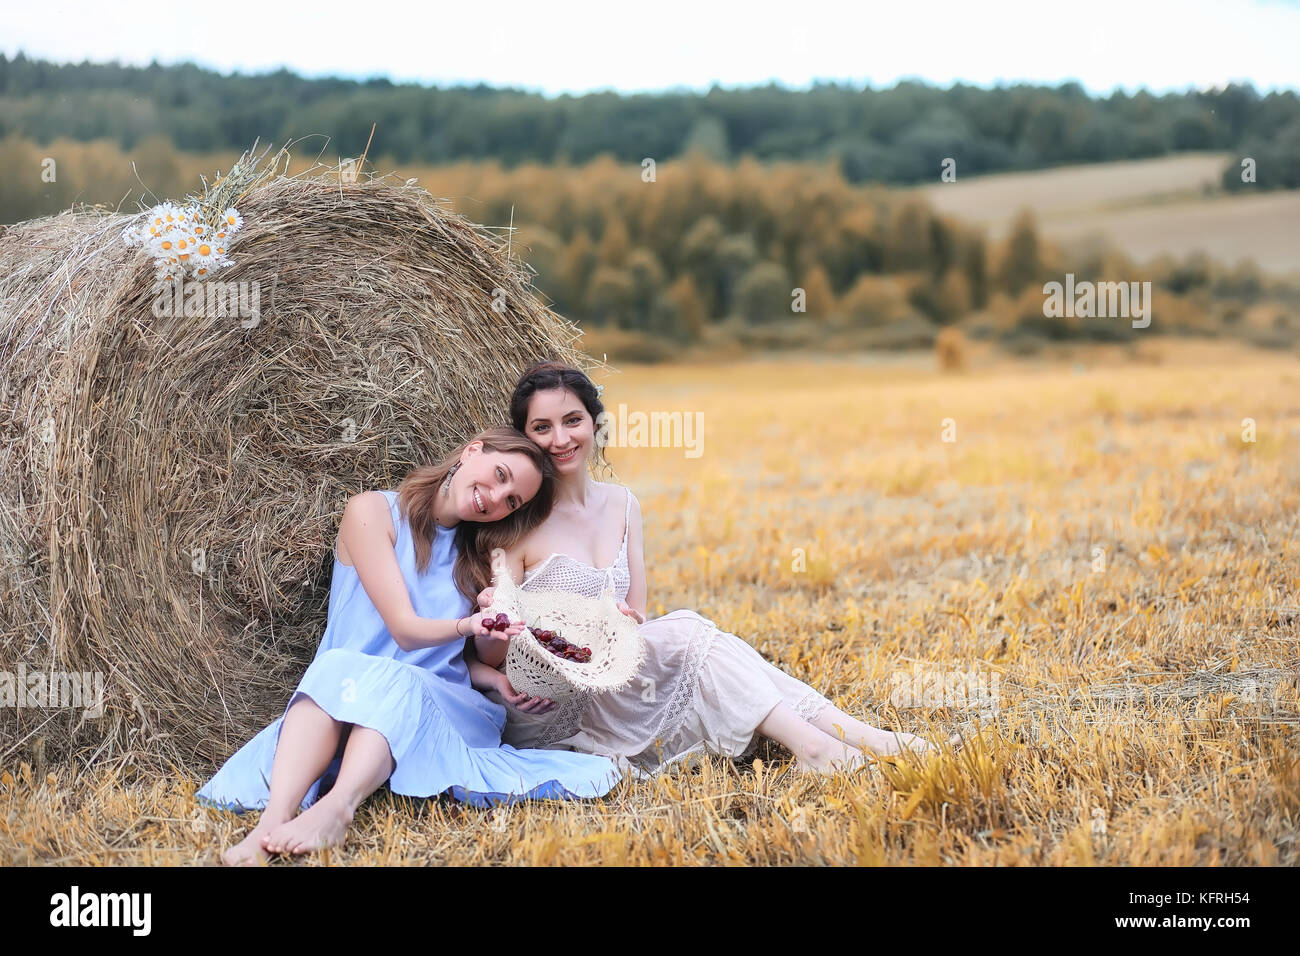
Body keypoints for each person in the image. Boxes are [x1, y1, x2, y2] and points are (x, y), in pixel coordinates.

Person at [465, 363, 959, 777]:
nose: (560, 439)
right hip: (549, 703)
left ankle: (852, 737)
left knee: (701, 641)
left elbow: (638, 613)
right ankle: (823, 747)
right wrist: (499, 622)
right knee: (690, 633)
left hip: (615, 673)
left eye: (572, 420)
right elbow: (490, 647)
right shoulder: (518, 523)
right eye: (541, 428)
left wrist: (623, 623)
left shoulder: (623, 504)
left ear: (596, 423)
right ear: (524, 437)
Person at [197, 426, 622, 865]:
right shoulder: (371, 512)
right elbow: (403, 631)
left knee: (398, 681)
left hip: (438, 705)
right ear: (472, 450)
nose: (496, 497)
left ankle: (338, 807)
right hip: (345, 695)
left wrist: (495, 674)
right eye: (499, 475)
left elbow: (445, 662)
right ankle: (272, 821)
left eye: (511, 500)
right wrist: (465, 624)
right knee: (337, 667)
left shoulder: (475, 558)